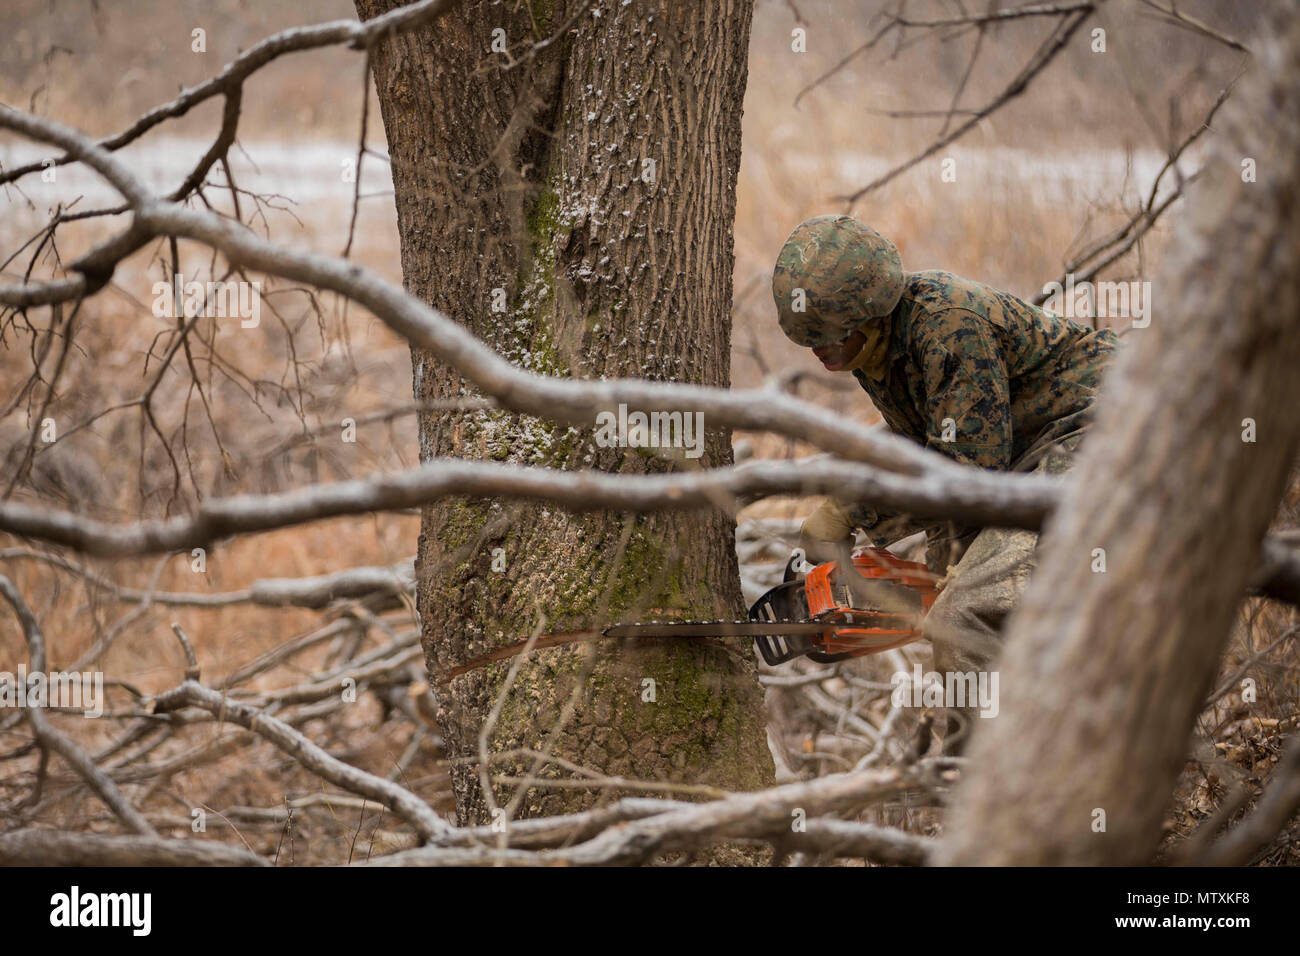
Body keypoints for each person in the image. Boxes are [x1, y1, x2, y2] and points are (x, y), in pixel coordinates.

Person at [772, 214, 1118, 752]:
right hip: (1023, 457)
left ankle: (979, 793)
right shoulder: (874, 350)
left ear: (869, 311)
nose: (821, 349)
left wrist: (858, 514)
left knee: (968, 614)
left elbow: (967, 475)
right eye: (812, 338)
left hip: (1099, 432)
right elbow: (931, 442)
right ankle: (1016, 756)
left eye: (832, 334)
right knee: (952, 610)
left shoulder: (948, 326)